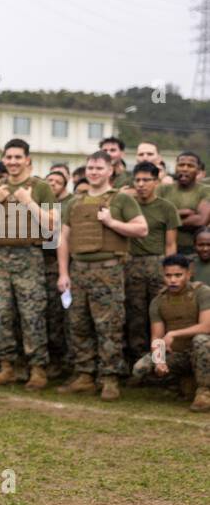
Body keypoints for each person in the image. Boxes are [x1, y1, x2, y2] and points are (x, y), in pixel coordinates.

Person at [56, 151, 148, 400]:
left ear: (110, 170)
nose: (93, 172)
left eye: (98, 168)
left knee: (109, 327)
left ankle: (109, 378)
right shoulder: (75, 203)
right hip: (79, 273)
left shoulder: (121, 200)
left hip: (108, 271)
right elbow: (63, 239)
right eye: (90, 168)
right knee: (79, 325)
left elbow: (142, 229)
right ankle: (85, 375)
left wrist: (112, 223)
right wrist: (63, 273)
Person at [0, 139, 56, 390]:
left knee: (31, 314)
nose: (12, 162)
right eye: (8, 157)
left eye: (17, 157)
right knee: (0, 313)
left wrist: (28, 201)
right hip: (0, 257)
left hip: (29, 257)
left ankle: (37, 368)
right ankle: (7, 366)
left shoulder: (41, 187)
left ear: (27, 160)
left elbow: (52, 227)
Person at [129, 254, 210, 412]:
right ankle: (183, 382)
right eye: (168, 275)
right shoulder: (158, 301)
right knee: (140, 369)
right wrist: (159, 360)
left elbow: (206, 327)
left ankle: (205, 392)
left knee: (201, 340)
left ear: (188, 274)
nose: (173, 280)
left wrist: (173, 334)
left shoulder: (202, 292)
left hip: (202, 351)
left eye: (178, 275)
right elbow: (157, 337)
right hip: (180, 354)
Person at [126, 161, 180, 368]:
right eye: (137, 180)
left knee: (160, 316)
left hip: (158, 265)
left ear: (156, 181)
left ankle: (162, 364)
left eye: (146, 180)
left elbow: (171, 244)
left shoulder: (167, 208)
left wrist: (170, 273)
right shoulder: (127, 204)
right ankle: (138, 365)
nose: (141, 184)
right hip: (132, 265)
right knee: (135, 317)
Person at [159, 152, 210, 254]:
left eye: (190, 166)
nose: (185, 169)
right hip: (163, 248)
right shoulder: (163, 189)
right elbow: (154, 216)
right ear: (175, 167)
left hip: (193, 251)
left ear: (198, 170)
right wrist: (183, 212)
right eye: (181, 165)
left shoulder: (205, 190)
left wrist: (168, 221)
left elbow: (201, 220)